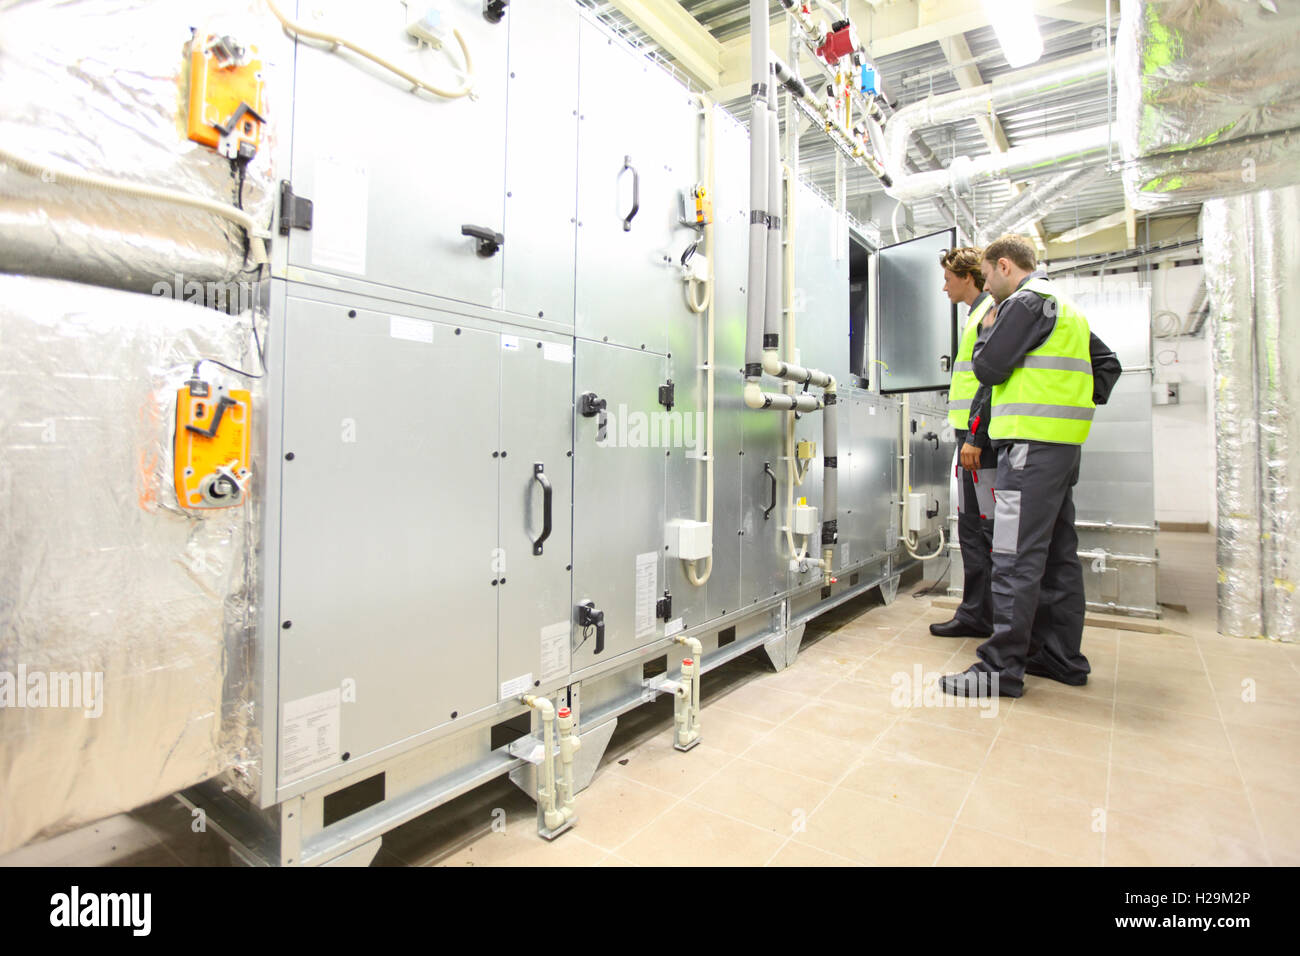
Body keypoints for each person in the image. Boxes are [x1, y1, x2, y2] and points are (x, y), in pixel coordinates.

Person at [939, 234, 1121, 699]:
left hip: (1029, 447)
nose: (987, 284)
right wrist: (1071, 402)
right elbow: (1106, 366)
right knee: (1058, 552)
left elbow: (990, 367)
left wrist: (991, 343)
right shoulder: (1066, 306)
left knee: (1014, 553)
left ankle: (1001, 668)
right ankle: (1061, 657)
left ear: (1003, 266)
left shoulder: (1026, 301)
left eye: (989, 272)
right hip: (1060, 446)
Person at [931, 247, 997, 639]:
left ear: (967, 277)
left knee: (980, 528)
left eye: (948, 279)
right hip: (969, 436)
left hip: (978, 441)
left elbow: (990, 379)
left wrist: (975, 435)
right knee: (972, 525)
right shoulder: (976, 314)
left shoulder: (990, 312)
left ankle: (979, 615)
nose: (944, 287)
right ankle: (978, 612)